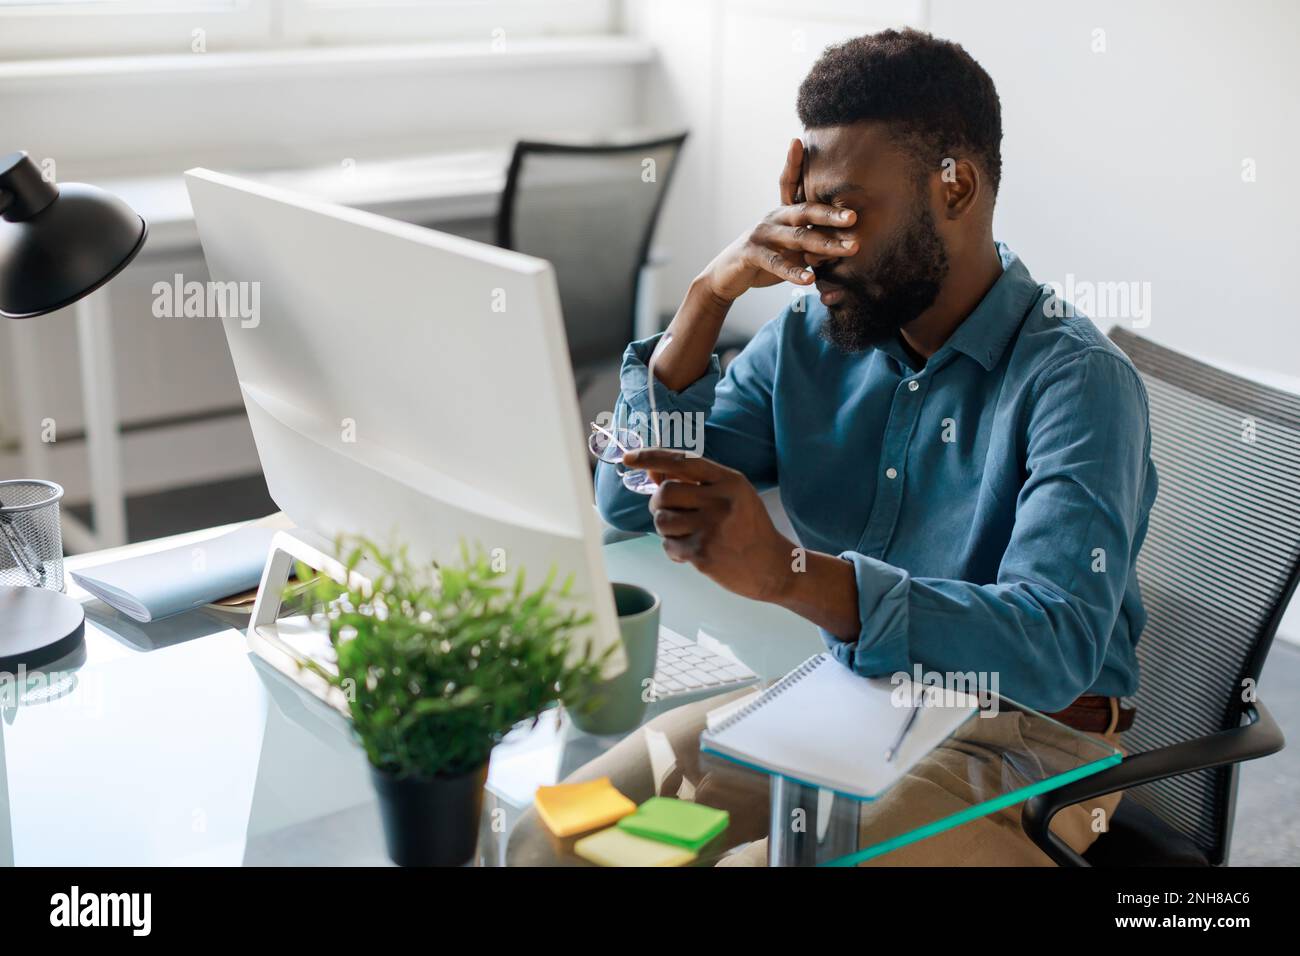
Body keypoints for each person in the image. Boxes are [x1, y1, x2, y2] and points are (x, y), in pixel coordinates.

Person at [510, 27, 1157, 866]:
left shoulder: (1077, 381)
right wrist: (710, 295)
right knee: (555, 839)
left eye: (845, 208)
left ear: (954, 187)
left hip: (1025, 752)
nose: (819, 241)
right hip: (843, 703)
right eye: (808, 203)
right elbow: (628, 502)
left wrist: (791, 575)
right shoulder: (813, 337)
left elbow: (1054, 647)